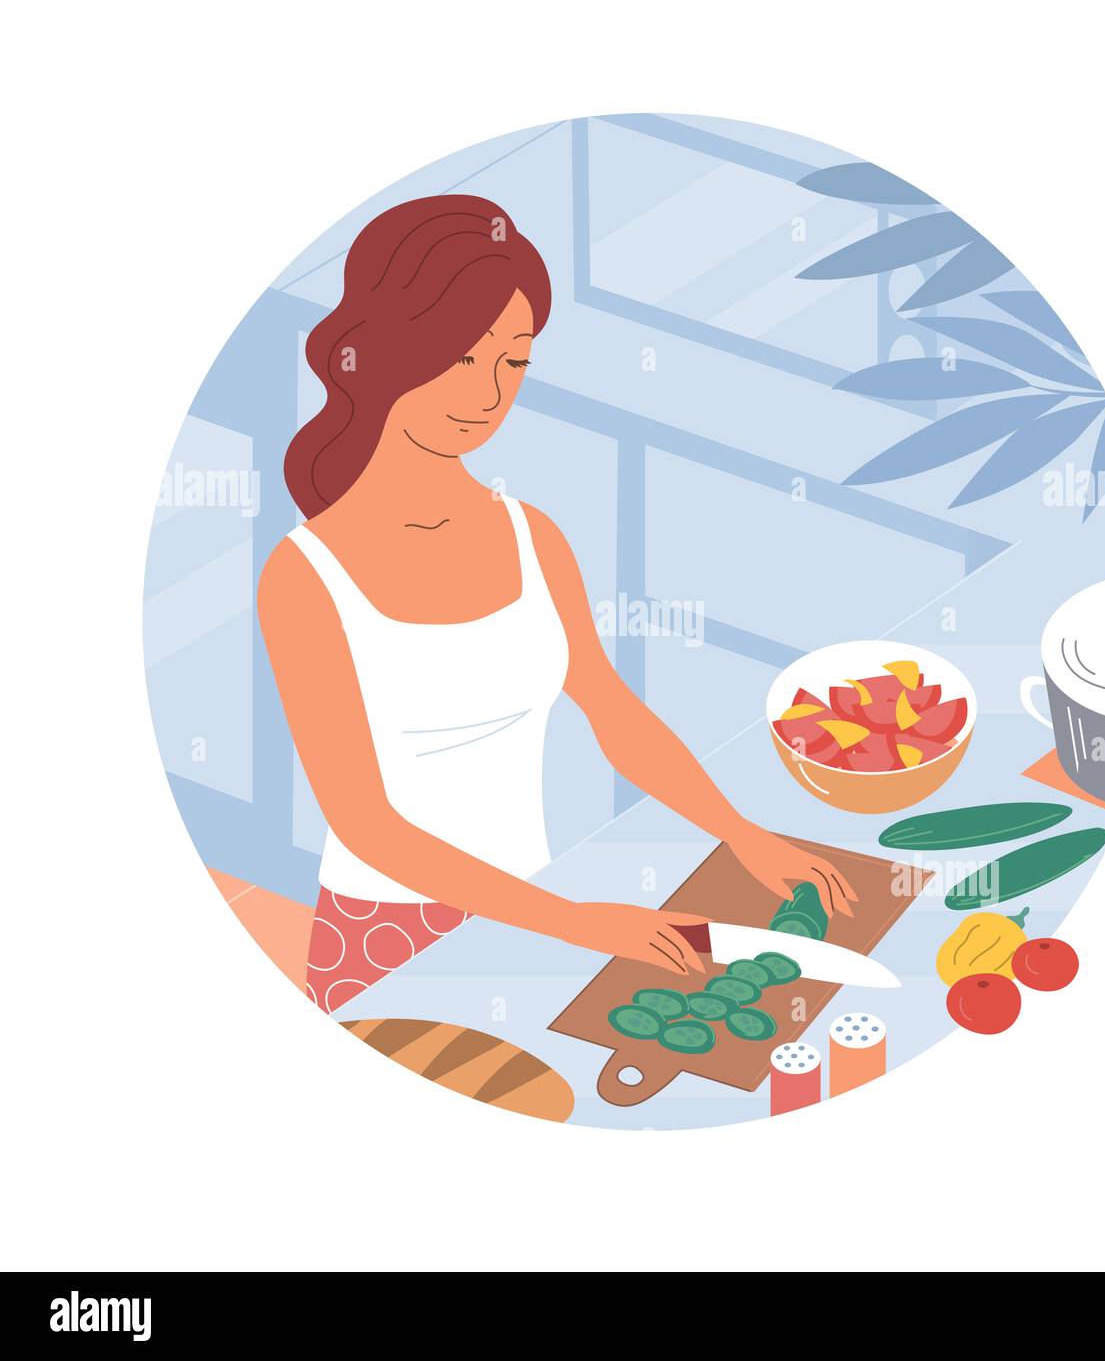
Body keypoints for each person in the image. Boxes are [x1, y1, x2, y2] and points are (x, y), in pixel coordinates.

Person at [258, 195, 856, 1013]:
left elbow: (610, 709)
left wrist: (741, 833)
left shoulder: (529, 533)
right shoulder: (305, 576)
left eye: (514, 362)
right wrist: (577, 922)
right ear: (391, 348)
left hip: (542, 913)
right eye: (463, 358)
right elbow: (368, 823)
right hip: (389, 933)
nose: (489, 393)